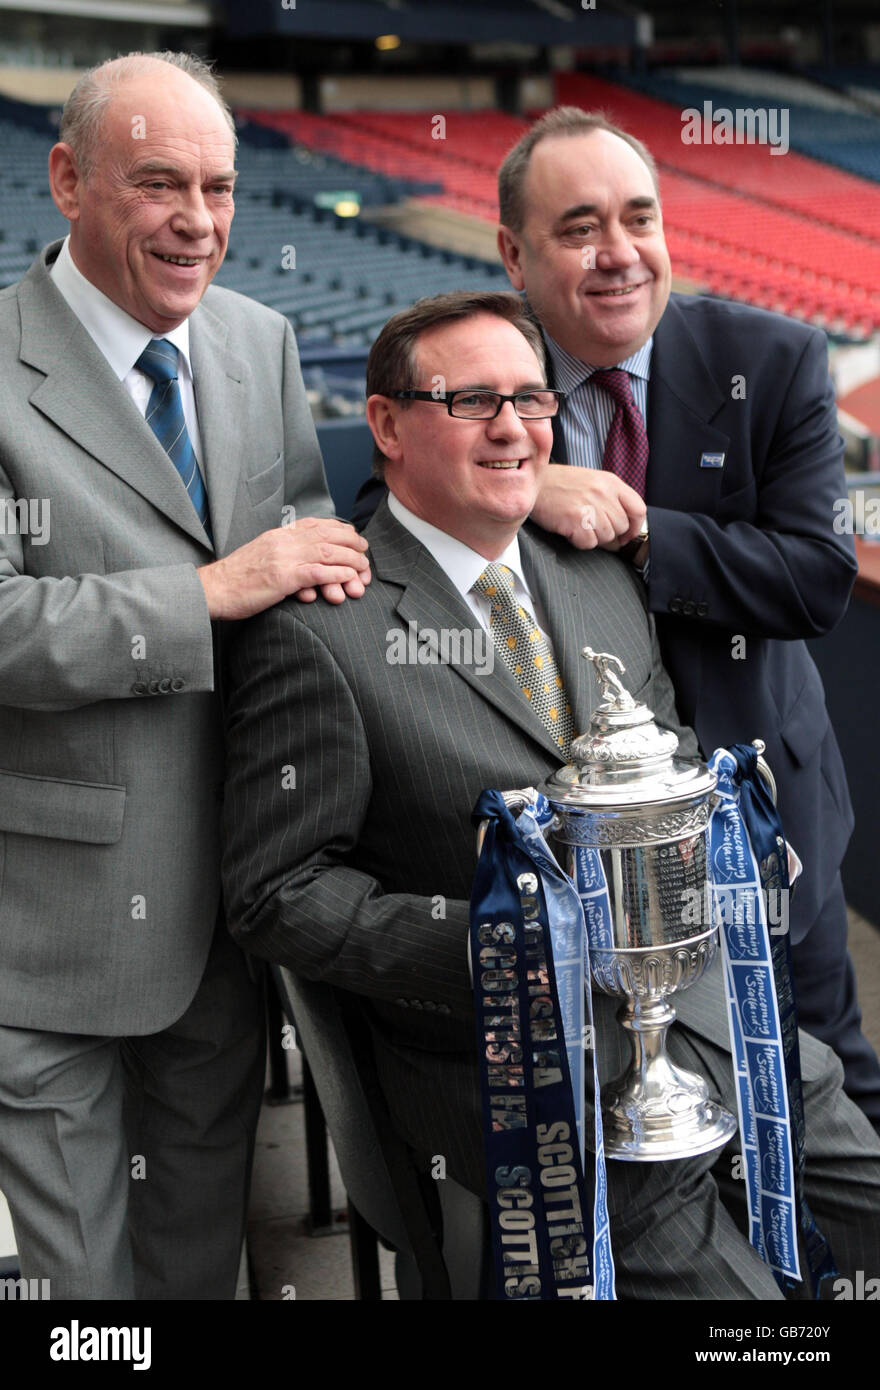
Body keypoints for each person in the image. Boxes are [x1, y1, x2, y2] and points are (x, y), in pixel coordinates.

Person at [222, 290, 880, 1299]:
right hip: (531, 1086)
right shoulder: (318, 628)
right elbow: (275, 892)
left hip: (727, 1034)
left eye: (529, 399)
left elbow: (667, 764)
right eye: (471, 399)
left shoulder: (598, 575)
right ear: (387, 425)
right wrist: (500, 946)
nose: (510, 425)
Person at [0, 51, 371, 1301]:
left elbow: (308, 569)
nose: (199, 221)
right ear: (66, 180)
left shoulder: (258, 342)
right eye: (160, 184)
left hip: (232, 915)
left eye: (217, 187)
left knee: (199, 1265)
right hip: (47, 937)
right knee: (85, 1296)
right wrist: (205, 594)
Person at [494, 107, 880, 1129]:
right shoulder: (480, 375)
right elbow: (385, 525)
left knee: (819, 1097)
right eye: (579, 227)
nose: (619, 254)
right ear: (513, 253)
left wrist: (636, 530)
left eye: (639, 218)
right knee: (628, 1127)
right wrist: (520, 486)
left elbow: (813, 579)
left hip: (760, 825)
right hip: (580, 851)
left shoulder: (773, 356)